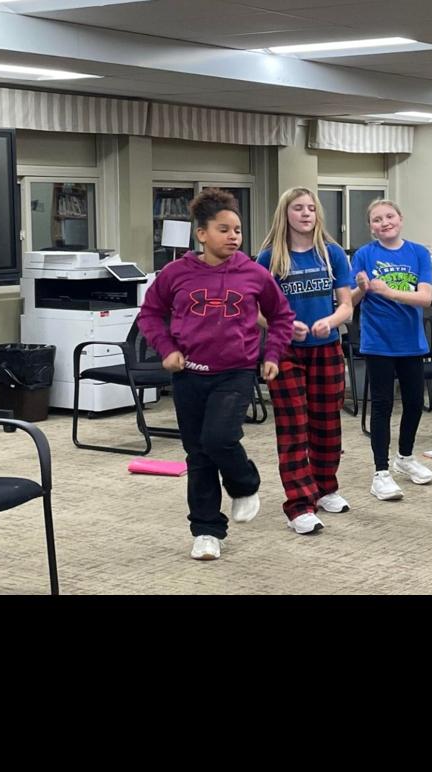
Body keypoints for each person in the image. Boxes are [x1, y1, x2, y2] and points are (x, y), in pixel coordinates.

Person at [137, 187, 292, 560]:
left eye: (237, 230)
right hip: (189, 375)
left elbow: (281, 317)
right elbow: (150, 314)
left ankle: (244, 483)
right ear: (202, 234)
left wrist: (272, 354)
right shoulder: (176, 273)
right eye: (224, 229)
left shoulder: (253, 273)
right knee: (198, 454)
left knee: (219, 439)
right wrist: (167, 350)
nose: (233, 236)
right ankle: (206, 531)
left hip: (235, 372)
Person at [254, 186, 353, 533]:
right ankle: (299, 505)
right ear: (286, 214)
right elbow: (254, 310)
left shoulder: (332, 253)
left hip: (326, 348)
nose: (306, 214)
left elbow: (346, 305)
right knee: (294, 426)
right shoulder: (269, 258)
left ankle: (325, 488)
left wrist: (332, 321)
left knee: (327, 423)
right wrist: (279, 324)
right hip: (285, 351)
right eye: (298, 208)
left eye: (311, 208)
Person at [349, 198, 432, 500]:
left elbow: (425, 298)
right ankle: (381, 472)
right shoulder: (364, 254)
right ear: (371, 227)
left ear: (400, 219)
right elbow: (350, 301)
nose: (384, 223)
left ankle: (405, 457)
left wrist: (388, 291)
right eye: (377, 219)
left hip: (411, 341)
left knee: (414, 403)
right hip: (378, 342)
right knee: (382, 405)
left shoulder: (419, 253)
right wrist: (362, 288)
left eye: (389, 216)